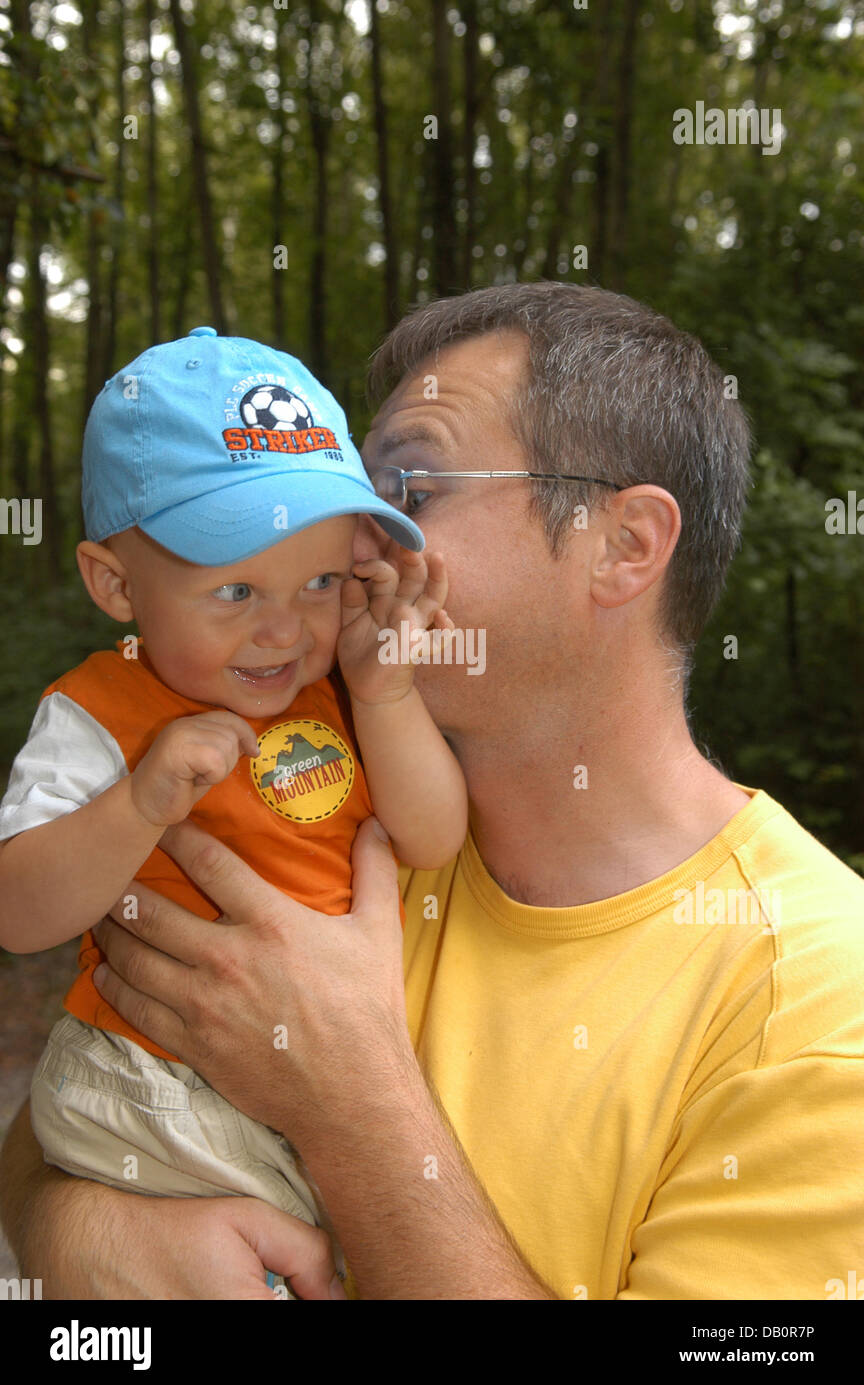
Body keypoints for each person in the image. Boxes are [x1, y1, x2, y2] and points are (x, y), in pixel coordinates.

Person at [2, 283, 862, 1301]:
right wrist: (79, 1227)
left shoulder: (815, 1004)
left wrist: (352, 1105)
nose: (354, 555)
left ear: (623, 543)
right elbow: (60, 1122)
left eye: (409, 490)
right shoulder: (323, 794)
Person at [0, 328, 467, 1295]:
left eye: (322, 583)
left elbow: (429, 837)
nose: (283, 628)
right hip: (150, 1083)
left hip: (305, 1089)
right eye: (237, 588)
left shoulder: (334, 687)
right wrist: (137, 805)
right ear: (115, 582)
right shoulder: (99, 711)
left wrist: (385, 695)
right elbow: (18, 913)